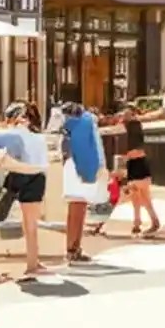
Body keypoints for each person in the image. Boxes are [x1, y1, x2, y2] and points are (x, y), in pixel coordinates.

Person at [0, 103, 51, 280]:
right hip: (37, 175)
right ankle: (32, 263)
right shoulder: (40, 137)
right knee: (31, 223)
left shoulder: (7, 133)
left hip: (16, 173)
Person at [61, 103, 106, 263]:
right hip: (80, 166)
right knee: (78, 208)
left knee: (76, 208)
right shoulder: (83, 125)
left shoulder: (69, 128)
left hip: (73, 166)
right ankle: (72, 249)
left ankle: (73, 247)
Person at [120, 106, 160, 237]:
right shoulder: (132, 127)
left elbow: (136, 151)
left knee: (139, 195)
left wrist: (125, 157)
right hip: (137, 165)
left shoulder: (133, 127)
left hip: (137, 165)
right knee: (139, 196)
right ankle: (140, 222)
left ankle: (141, 222)